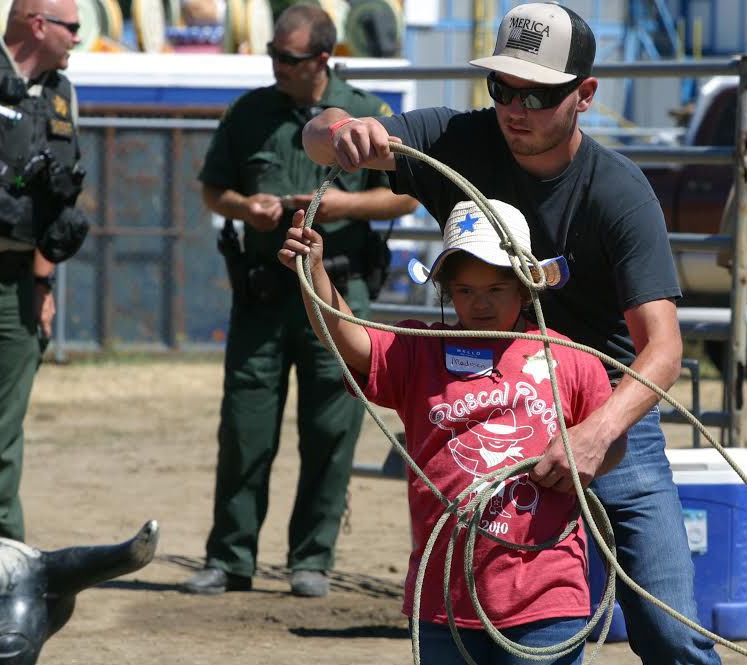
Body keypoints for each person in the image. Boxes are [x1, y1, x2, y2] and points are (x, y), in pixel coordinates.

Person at [301, 3, 723, 662]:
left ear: (584, 95)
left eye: (538, 93)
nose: (514, 107)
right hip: (492, 396)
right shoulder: (456, 140)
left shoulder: (617, 194)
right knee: (487, 603)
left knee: (667, 626)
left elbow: (661, 348)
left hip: (602, 404)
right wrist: (340, 130)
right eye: (502, 87)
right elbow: (319, 132)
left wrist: (598, 430)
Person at [279, 197, 618, 664]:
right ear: (445, 290)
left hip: (545, 595)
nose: (480, 304)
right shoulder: (420, 351)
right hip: (445, 594)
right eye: (464, 290)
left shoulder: (571, 359)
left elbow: (611, 441)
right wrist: (313, 271)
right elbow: (348, 338)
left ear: (526, 287)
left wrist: (586, 453)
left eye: (497, 288)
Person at [181, 4, 417, 598]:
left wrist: (345, 207)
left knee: (331, 428)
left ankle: (311, 559)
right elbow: (213, 189)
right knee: (244, 427)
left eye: (288, 58)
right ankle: (229, 556)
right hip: (264, 292)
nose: (276, 66)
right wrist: (245, 208)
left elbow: (404, 198)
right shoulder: (249, 113)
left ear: (322, 59)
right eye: (273, 55)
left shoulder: (366, 113)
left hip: (337, 290)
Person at [0, 0, 88, 540]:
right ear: (38, 25)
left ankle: (0, 569)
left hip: (16, 286)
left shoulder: (63, 95)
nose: (79, 39)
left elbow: (55, 203)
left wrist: (43, 281)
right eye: (73, 27)